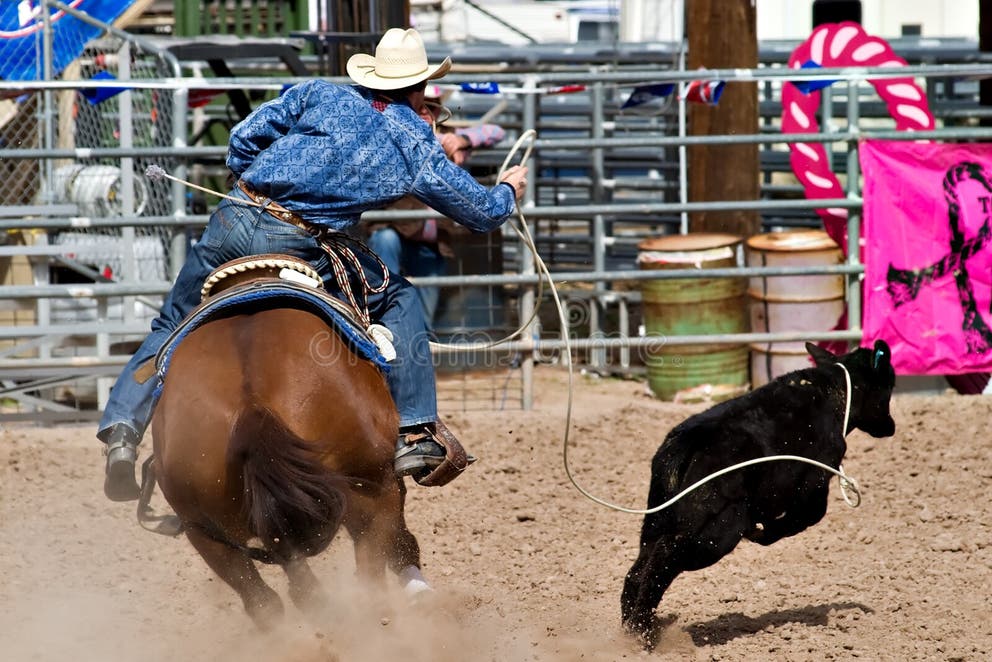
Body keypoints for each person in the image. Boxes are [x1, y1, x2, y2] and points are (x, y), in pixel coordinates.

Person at [96, 27, 528, 501]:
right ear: (420, 87)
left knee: (173, 319)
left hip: (234, 216)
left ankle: (123, 426)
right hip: (298, 239)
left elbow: (242, 140)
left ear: (374, 74)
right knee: (399, 296)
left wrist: (261, 179)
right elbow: (482, 213)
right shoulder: (415, 142)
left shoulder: (318, 93)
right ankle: (416, 431)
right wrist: (508, 190)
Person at [367, 89, 506, 324]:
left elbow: (496, 132)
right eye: (422, 105)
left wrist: (461, 140)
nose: (425, 112)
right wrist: (444, 142)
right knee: (385, 241)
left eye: (431, 107)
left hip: (433, 241)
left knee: (423, 315)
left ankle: (416, 343)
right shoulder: (398, 133)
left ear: (439, 110)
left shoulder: (453, 138)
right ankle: (380, 314)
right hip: (399, 228)